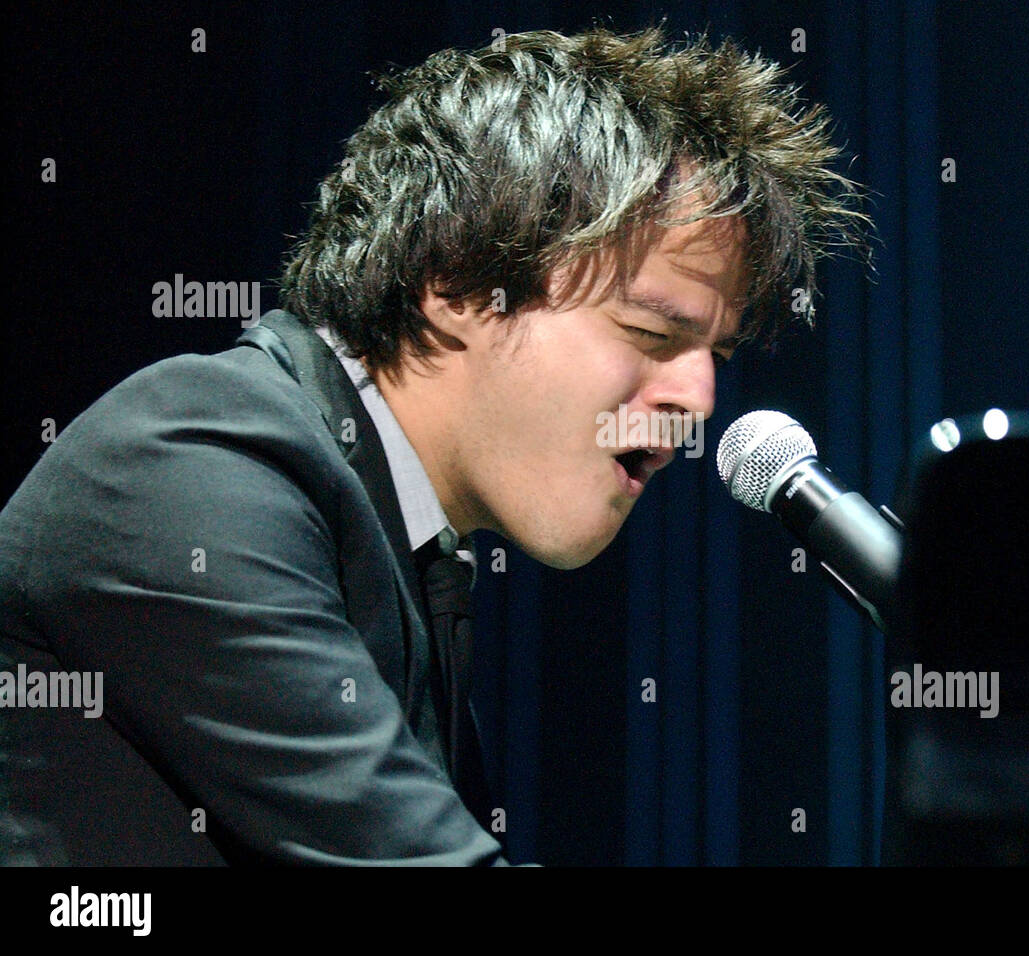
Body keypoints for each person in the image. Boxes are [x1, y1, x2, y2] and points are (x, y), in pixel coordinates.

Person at [0, 26, 868, 865]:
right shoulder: (194, 456)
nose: (699, 398)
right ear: (455, 282)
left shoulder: (405, 545)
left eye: (715, 355)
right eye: (648, 332)